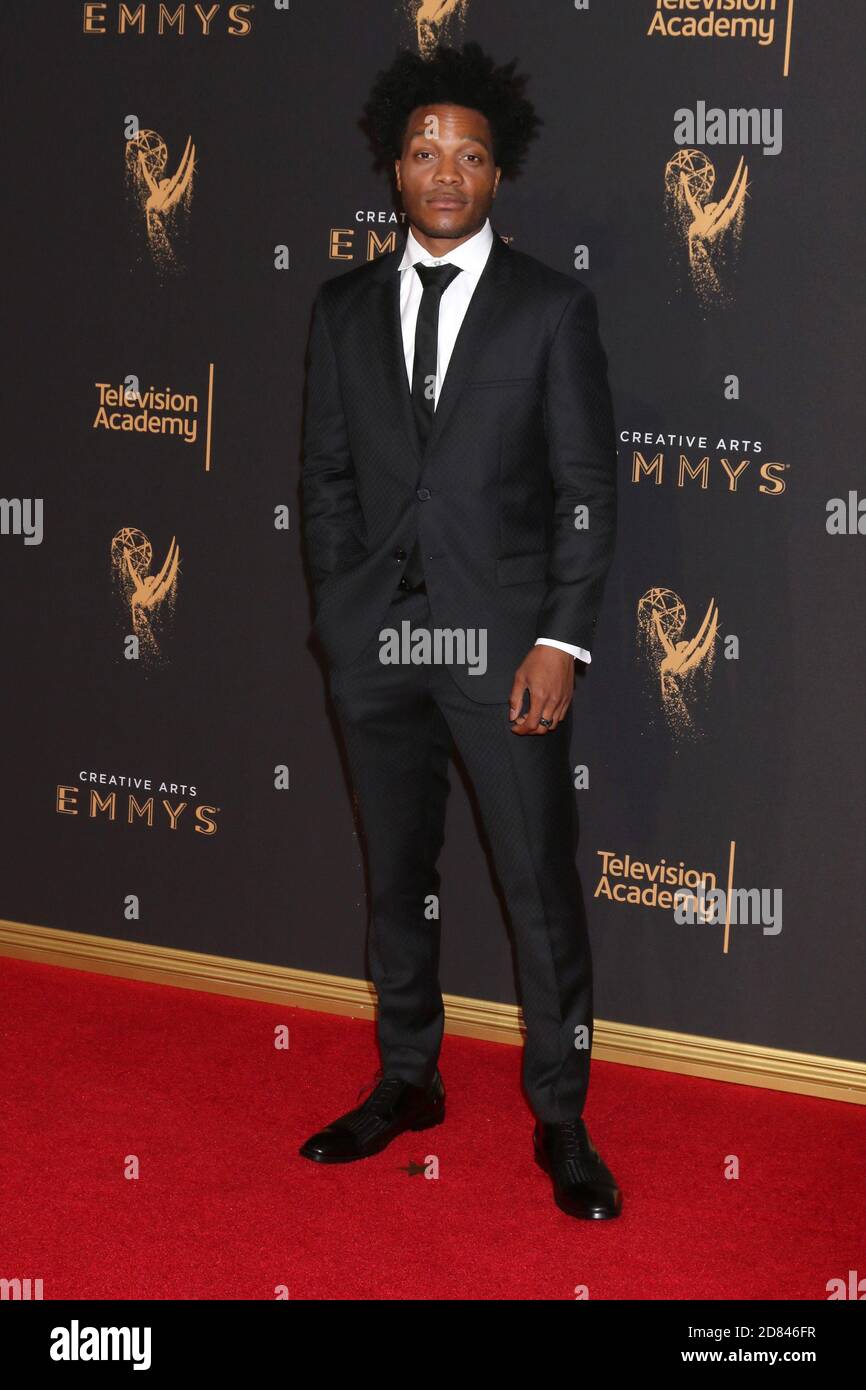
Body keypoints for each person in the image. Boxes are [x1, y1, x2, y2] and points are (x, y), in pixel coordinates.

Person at [299, 41, 620, 1220]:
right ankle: (404, 1077)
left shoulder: (550, 307)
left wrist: (559, 640)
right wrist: (341, 622)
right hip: (377, 652)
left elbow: (588, 488)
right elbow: (325, 479)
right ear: (393, 168)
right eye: (425, 150)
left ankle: (561, 1115)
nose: (446, 171)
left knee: (537, 884)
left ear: (499, 173)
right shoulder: (339, 308)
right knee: (396, 877)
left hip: (504, 652)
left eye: (469, 154)